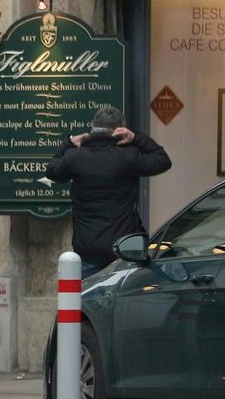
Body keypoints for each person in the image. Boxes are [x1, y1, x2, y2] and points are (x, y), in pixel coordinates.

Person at [44, 106, 172, 279]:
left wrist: (69, 143)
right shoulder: (128, 156)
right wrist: (135, 137)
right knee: (123, 302)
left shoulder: (75, 157)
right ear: (120, 129)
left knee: (86, 300)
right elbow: (162, 160)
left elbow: (52, 171)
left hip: (87, 246)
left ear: (92, 126)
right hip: (124, 245)